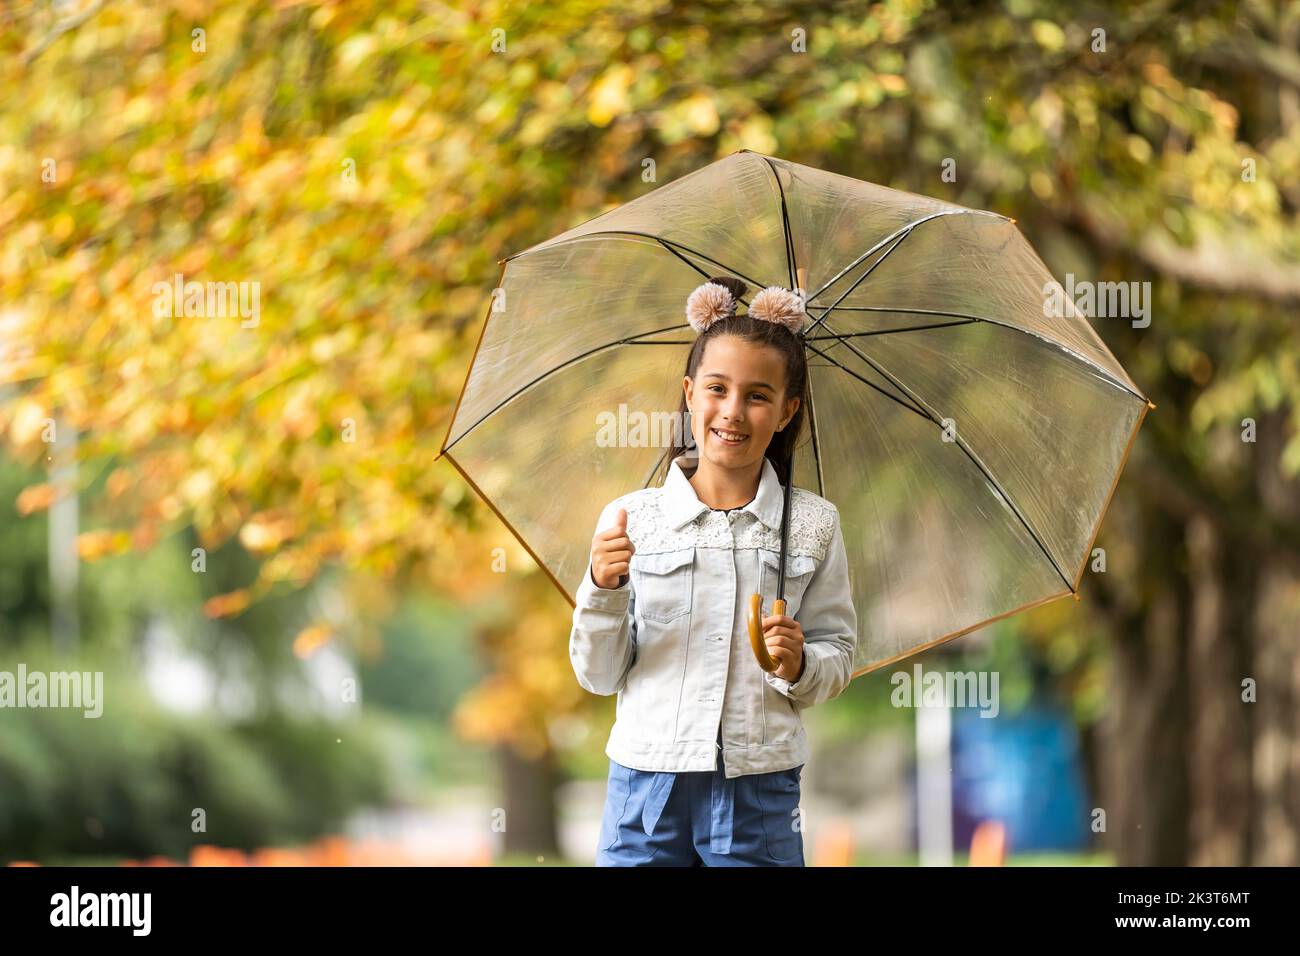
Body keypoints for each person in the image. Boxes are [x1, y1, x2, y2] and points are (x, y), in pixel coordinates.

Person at [568, 275, 859, 866]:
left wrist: (801, 663)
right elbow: (599, 676)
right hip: (646, 782)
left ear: (786, 410)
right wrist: (602, 589)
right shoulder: (633, 519)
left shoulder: (813, 523)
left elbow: (840, 656)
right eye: (717, 389)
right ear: (690, 393)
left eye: (757, 395)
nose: (733, 411)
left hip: (759, 786)